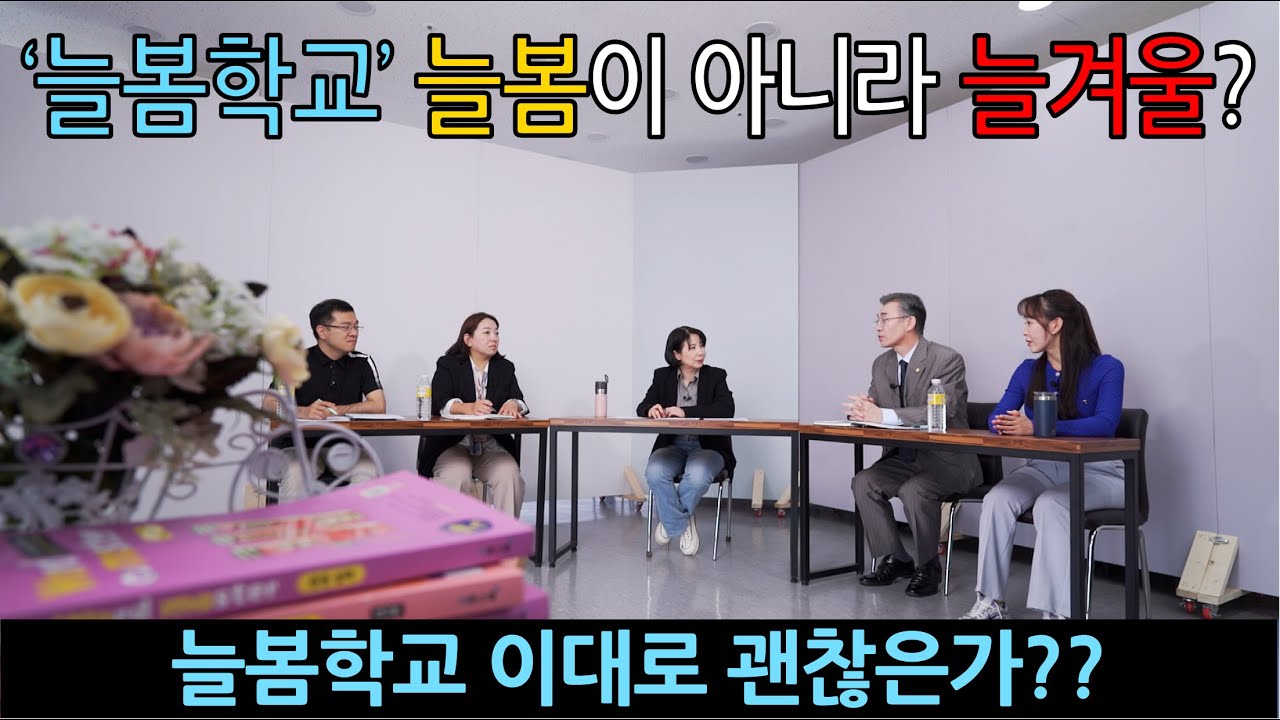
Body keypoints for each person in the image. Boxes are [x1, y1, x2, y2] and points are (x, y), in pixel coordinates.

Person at [961, 289, 1125, 620]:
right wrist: (1007, 424)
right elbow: (996, 418)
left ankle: (1056, 612)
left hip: (1101, 472)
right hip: (1045, 468)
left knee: (1052, 505)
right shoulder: (1027, 370)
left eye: (1029, 322)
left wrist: (1036, 427)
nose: (1024, 331)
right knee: (997, 499)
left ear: (1055, 325)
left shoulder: (1107, 368)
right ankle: (991, 601)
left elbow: (1105, 424)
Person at [845, 292, 981, 597]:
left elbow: (944, 411)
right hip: (905, 458)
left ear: (909, 322)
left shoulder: (946, 359)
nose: (878, 326)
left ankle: (928, 566)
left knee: (914, 490)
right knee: (864, 482)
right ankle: (897, 558)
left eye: (885, 319)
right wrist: (863, 410)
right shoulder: (882, 364)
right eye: (877, 319)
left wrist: (883, 414)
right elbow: (877, 406)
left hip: (948, 461)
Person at [269, 298, 385, 502]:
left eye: (356, 326)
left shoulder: (362, 361)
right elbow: (269, 403)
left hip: (346, 447)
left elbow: (378, 406)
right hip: (299, 447)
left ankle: (354, 522)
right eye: (346, 327)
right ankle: (293, 523)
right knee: (295, 473)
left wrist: (337, 410)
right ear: (322, 331)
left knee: (368, 469)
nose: (354, 333)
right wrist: (304, 412)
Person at [416, 312, 528, 518]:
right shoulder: (448, 364)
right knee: (457, 475)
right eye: (487, 332)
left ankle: (508, 535)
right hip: (453, 446)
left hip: (490, 447)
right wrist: (467, 407)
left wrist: (514, 403)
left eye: (496, 333)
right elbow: (439, 402)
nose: (494, 338)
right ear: (468, 339)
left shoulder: (504, 367)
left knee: (509, 475)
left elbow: (520, 400)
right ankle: (449, 536)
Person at [637, 326, 736, 557]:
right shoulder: (662, 376)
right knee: (654, 472)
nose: (700, 351)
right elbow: (642, 406)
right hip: (672, 446)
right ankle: (683, 520)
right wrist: (651, 408)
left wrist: (686, 412)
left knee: (698, 475)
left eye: (701, 345)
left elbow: (726, 409)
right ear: (677, 354)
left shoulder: (716, 376)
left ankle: (670, 522)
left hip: (708, 447)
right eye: (692, 347)